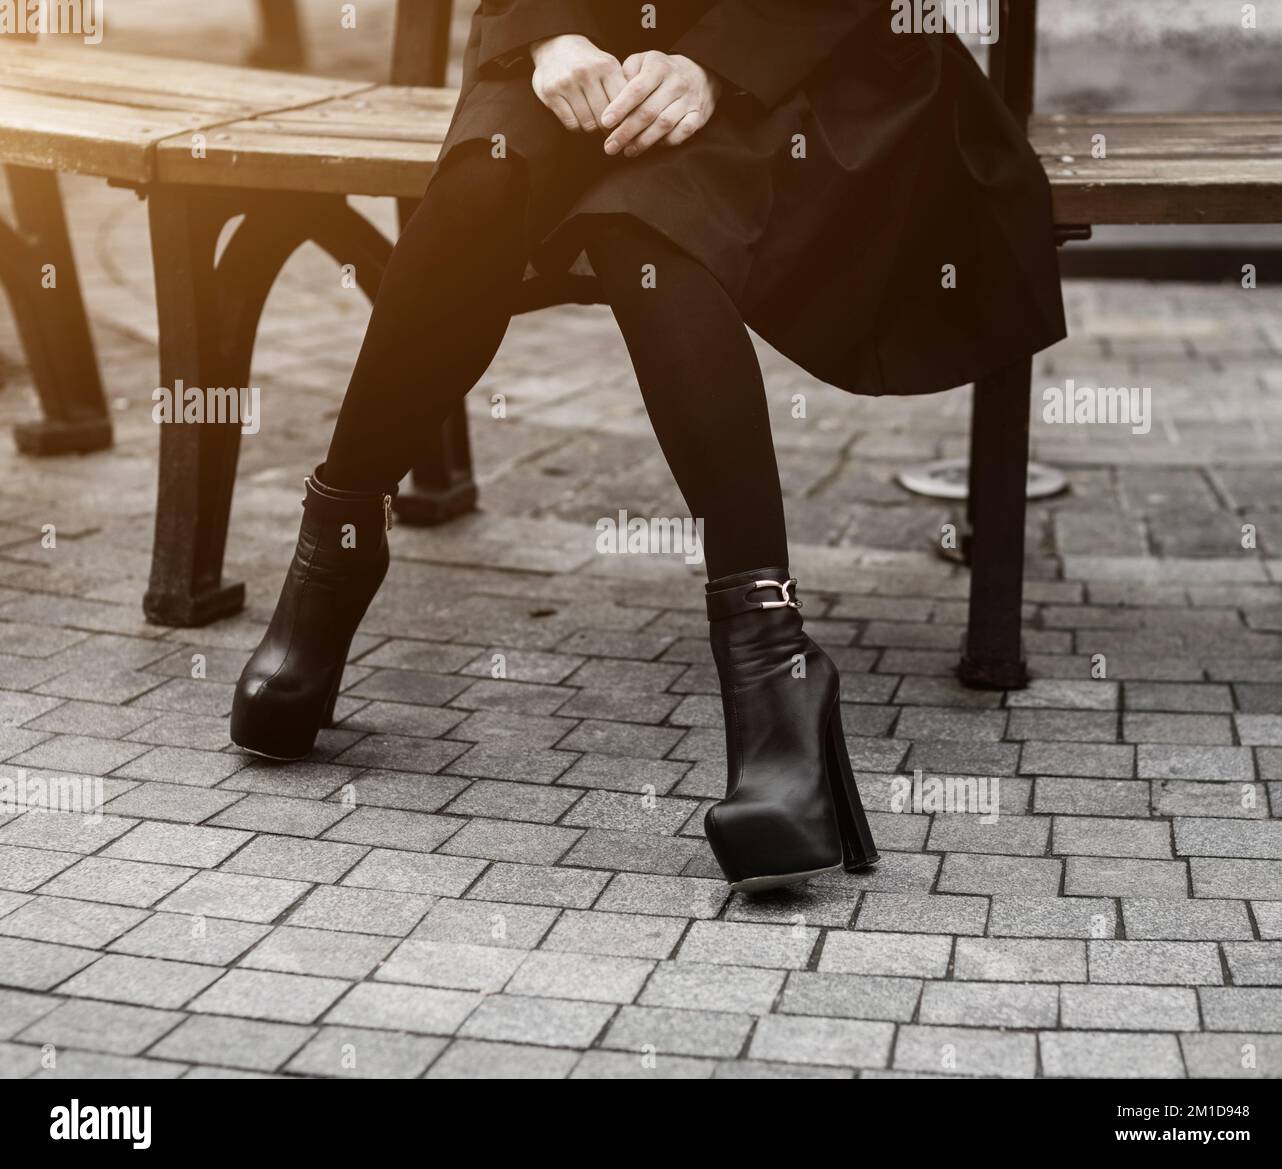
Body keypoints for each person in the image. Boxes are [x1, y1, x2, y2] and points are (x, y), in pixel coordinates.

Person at [230, 1, 1066, 892]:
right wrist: (550, 36)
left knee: (649, 223)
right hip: (579, 33)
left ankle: (773, 667)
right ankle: (335, 558)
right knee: (481, 190)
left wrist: (718, 64)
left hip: (809, 55)